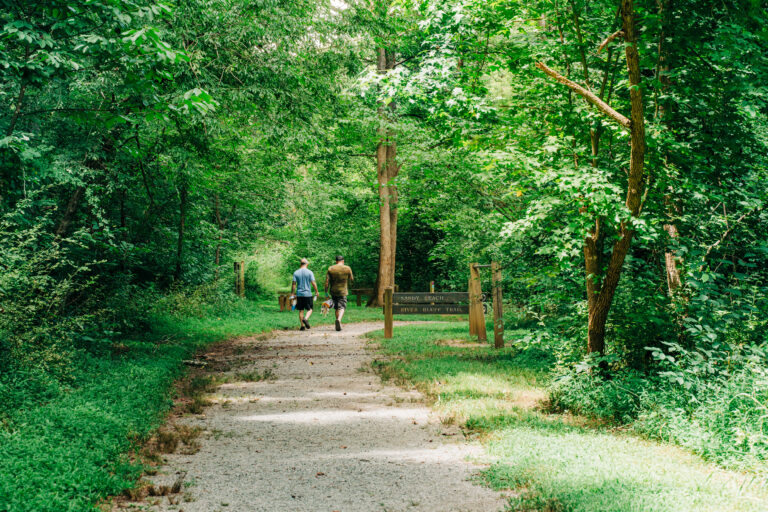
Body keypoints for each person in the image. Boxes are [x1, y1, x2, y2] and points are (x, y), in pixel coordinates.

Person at [324, 255, 354, 331]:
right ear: (343, 261)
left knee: (336, 307)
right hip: (343, 291)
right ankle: (339, 320)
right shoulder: (347, 268)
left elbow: (327, 282)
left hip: (333, 291)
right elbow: (352, 279)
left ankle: (338, 324)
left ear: (336, 261)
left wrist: (326, 292)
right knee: (342, 307)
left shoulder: (331, 268)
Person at [290, 258, 319, 331]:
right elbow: (313, 283)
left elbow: (294, 284)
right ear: (307, 264)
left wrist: (292, 293)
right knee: (310, 309)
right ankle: (305, 319)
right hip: (307, 294)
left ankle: (302, 326)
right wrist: (316, 291)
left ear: (300, 264)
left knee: (301, 310)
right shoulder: (310, 272)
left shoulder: (296, 272)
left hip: (299, 294)